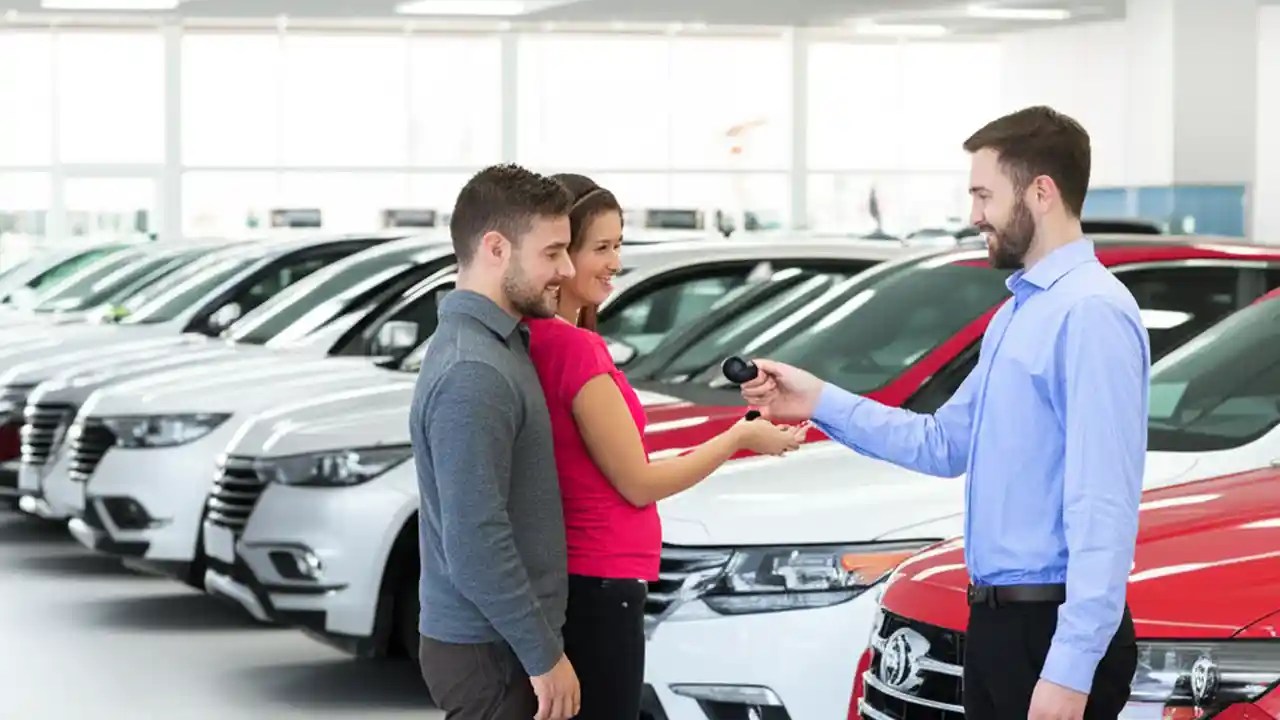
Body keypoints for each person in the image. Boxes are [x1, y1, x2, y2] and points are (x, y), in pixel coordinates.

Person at [739, 106, 1148, 720]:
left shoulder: (1090, 313)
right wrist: (817, 399)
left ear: (1041, 192)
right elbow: (942, 443)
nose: (974, 215)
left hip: (1050, 635)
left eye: (984, 194)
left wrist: (1070, 668)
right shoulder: (1020, 314)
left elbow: (1104, 507)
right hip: (997, 629)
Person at [523, 173, 807, 719]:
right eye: (599, 248)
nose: (614, 262)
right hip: (599, 581)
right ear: (560, 256)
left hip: (582, 577)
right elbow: (638, 482)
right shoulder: (574, 350)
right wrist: (740, 438)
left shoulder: (543, 341)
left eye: (618, 245)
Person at [408, 163, 581, 720]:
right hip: (491, 650)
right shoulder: (473, 372)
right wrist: (542, 654)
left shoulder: (497, 347)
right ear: (496, 248)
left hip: (501, 641)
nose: (567, 268)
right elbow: (476, 540)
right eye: (553, 253)